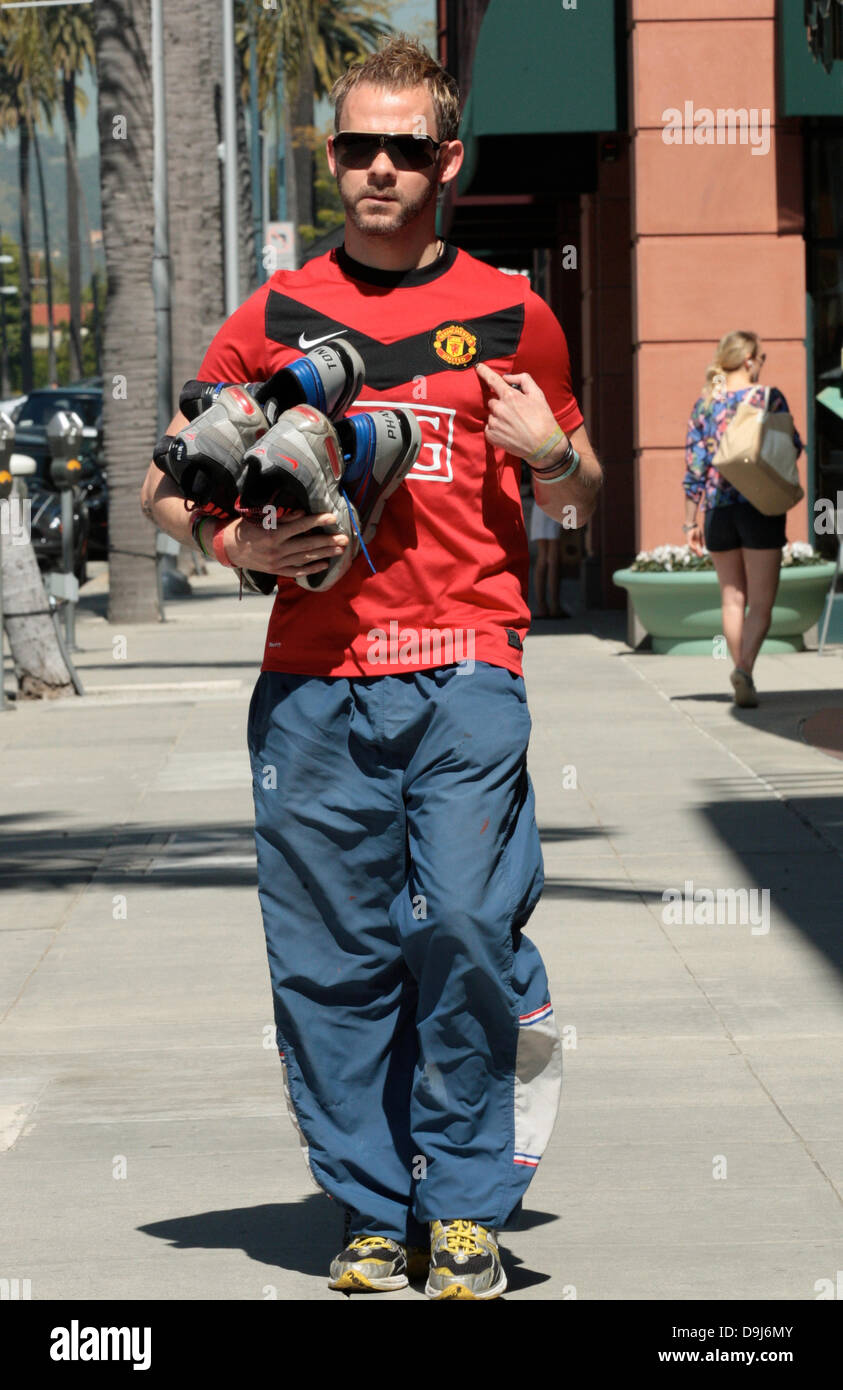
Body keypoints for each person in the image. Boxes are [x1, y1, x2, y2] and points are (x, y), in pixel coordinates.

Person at [140, 36, 602, 1300]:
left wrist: (549, 459)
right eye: (359, 146)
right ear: (334, 157)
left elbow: (579, 496)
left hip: (466, 664)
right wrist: (237, 537)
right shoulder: (275, 314)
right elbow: (160, 486)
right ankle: (367, 1206)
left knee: (461, 924)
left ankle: (463, 1203)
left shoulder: (517, 312)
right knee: (331, 960)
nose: (382, 167)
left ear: (448, 161)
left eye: (408, 147)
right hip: (313, 684)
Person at [683, 330, 803, 708]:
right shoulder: (768, 397)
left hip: (718, 509)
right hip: (760, 505)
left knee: (732, 598)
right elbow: (793, 445)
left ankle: (740, 671)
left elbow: (694, 468)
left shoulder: (705, 404)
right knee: (762, 602)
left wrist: (691, 523)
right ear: (749, 360)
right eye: (761, 357)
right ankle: (746, 669)